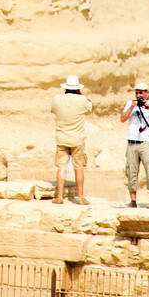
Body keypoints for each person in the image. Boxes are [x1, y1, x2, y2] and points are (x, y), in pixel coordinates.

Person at [120, 81, 149, 208]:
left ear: (147, 94)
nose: (138, 95)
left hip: (146, 141)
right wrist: (132, 107)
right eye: (137, 93)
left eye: (141, 93)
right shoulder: (130, 104)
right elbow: (122, 118)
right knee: (131, 171)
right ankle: (133, 200)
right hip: (132, 142)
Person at [51, 75, 92, 204]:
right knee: (79, 168)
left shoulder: (57, 99)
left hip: (62, 137)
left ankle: (59, 196)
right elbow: (89, 107)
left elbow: (53, 111)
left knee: (62, 167)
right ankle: (80, 196)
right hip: (77, 139)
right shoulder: (82, 100)